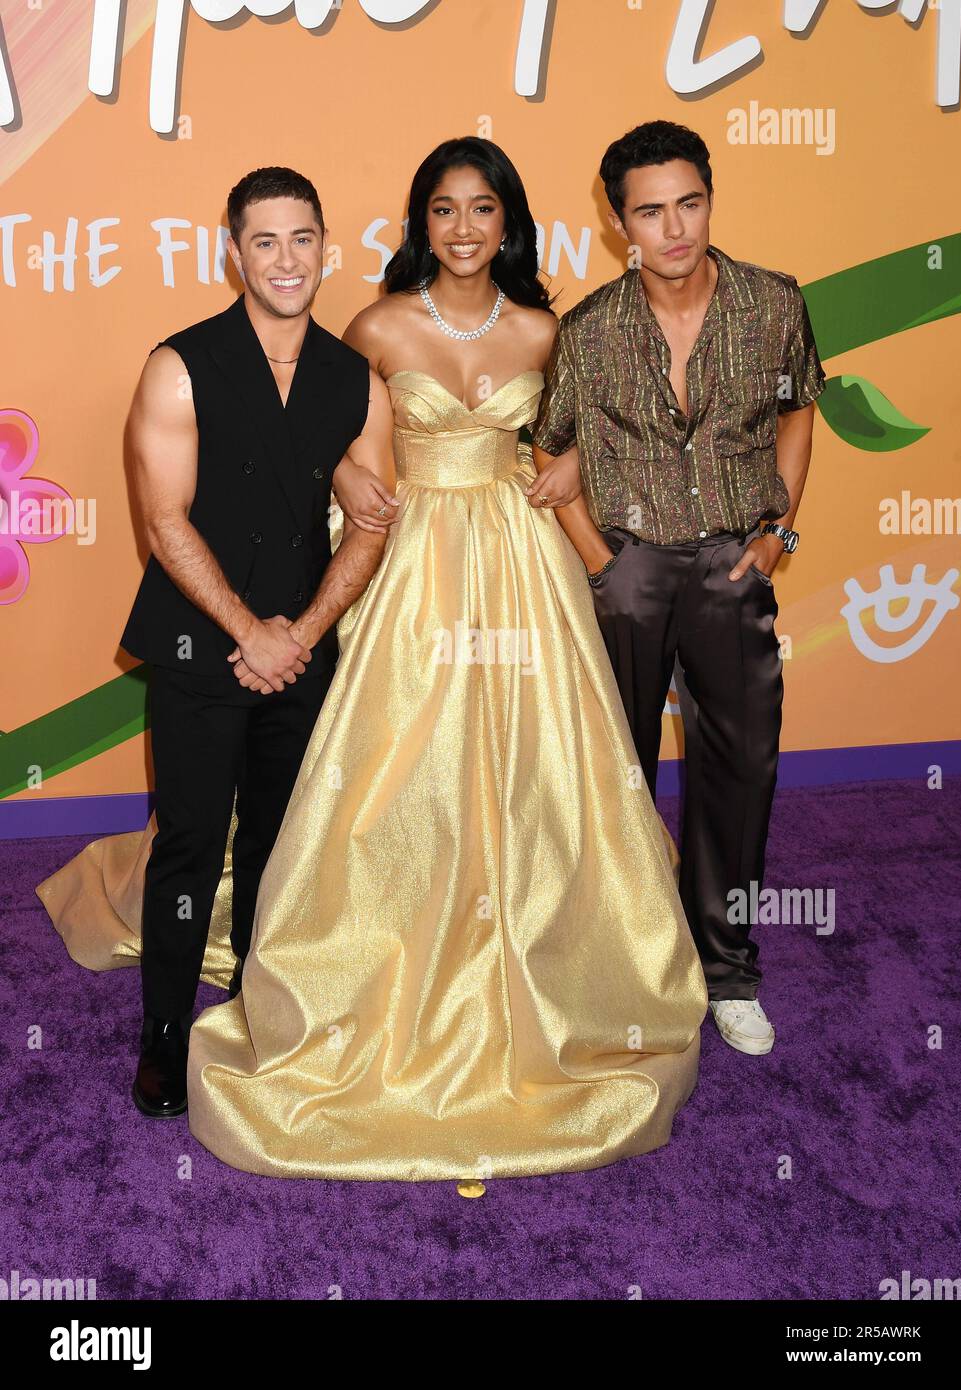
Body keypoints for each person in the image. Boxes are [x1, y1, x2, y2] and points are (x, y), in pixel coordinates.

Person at [178, 136, 708, 1182]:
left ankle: (558, 951)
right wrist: (344, 472)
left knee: (538, 766)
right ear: (420, 225)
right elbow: (311, 419)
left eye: (481, 210)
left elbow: (581, 435)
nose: (463, 230)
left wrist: (560, 465)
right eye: (442, 211)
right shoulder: (375, 324)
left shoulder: (548, 330)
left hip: (516, 565)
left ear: (507, 223)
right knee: (390, 767)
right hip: (409, 562)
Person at [37, 166, 393, 1118]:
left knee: (283, 844)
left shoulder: (354, 379)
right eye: (264, 241)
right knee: (190, 844)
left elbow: (374, 519)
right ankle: (162, 1035)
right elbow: (165, 521)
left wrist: (302, 634)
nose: (285, 259)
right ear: (233, 251)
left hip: (301, 654)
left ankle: (252, 1014)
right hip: (203, 649)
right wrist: (250, 632)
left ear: (328, 248)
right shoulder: (181, 364)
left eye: (302, 238)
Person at [531, 121, 826, 1056]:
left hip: (732, 568)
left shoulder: (772, 304)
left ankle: (727, 971)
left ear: (708, 199)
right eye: (649, 212)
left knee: (739, 770)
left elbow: (796, 413)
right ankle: (619, 962)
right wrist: (595, 560)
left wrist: (777, 532)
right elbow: (547, 447)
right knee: (614, 773)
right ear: (620, 225)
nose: (673, 228)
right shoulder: (587, 330)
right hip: (628, 569)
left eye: (687, 203)